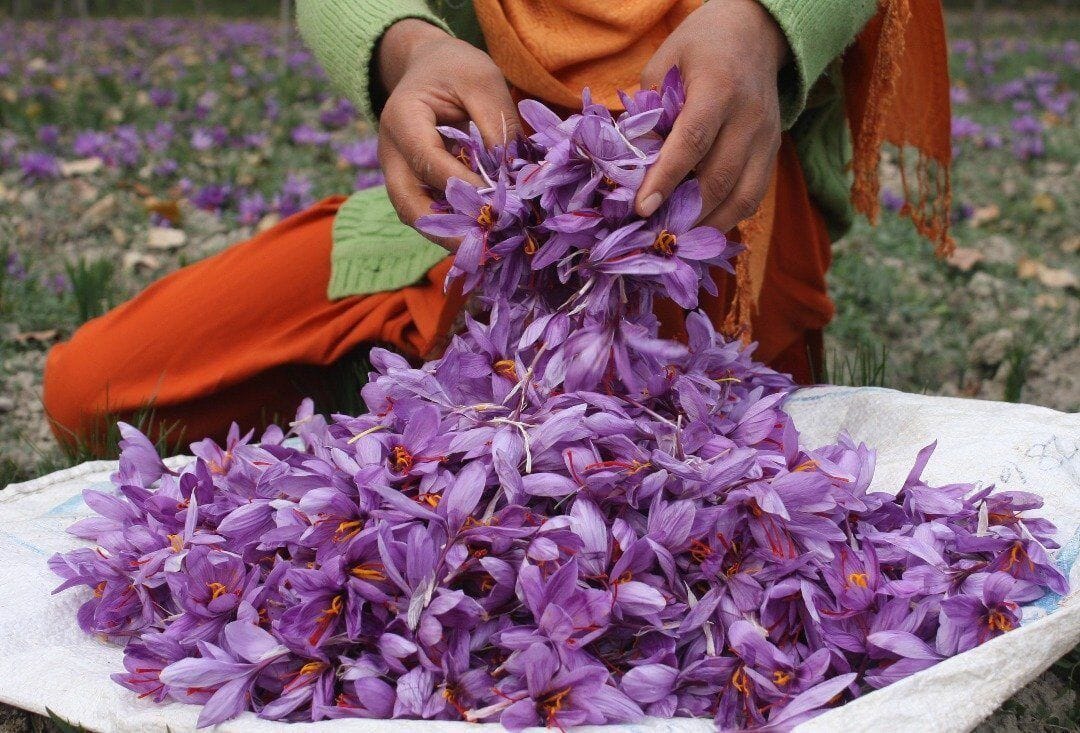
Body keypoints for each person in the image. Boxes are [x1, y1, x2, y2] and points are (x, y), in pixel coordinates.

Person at [42, 0, 953, 455]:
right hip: (492, 208)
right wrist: (410, 44)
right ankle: (429, 377)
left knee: (652, 476)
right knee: (96, 390)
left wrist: (763, 26)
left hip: (702, 221)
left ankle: (444, 397)